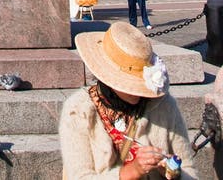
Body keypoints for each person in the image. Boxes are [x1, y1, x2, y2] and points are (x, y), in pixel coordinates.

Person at [59, 23, 198, 179]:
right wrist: (130, 172)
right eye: (131, 83)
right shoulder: (78, 111)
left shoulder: (164, 106)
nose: (137, 92)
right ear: (108, 77)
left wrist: (172, 171)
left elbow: (188, 169)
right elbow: (78, 176)